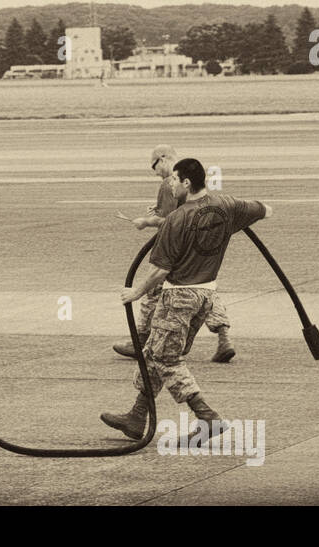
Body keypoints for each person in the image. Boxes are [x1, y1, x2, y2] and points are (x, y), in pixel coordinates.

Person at [101, 158, 271, 441]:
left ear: (187, 183)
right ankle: (136, 416)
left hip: (178, 296)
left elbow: (160, 270)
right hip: (206, 294)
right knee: (153, 354)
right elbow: (266, 210)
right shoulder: (227, 205)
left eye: (175, 179)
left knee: (166, 359)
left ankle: (208, 417)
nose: (170, 184)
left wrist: (136, 292)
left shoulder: (177, 219)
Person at [114, 145, 238, 363]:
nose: (155, 172)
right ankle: (223, 336)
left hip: (175, 248)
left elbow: (168, 220)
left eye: (154, 166)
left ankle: (140, 340)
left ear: (162, 159)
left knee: (153, 293)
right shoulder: (191, 181)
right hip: (198, 247)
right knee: (204, 289)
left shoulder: (168, 183)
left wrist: (145, 221)